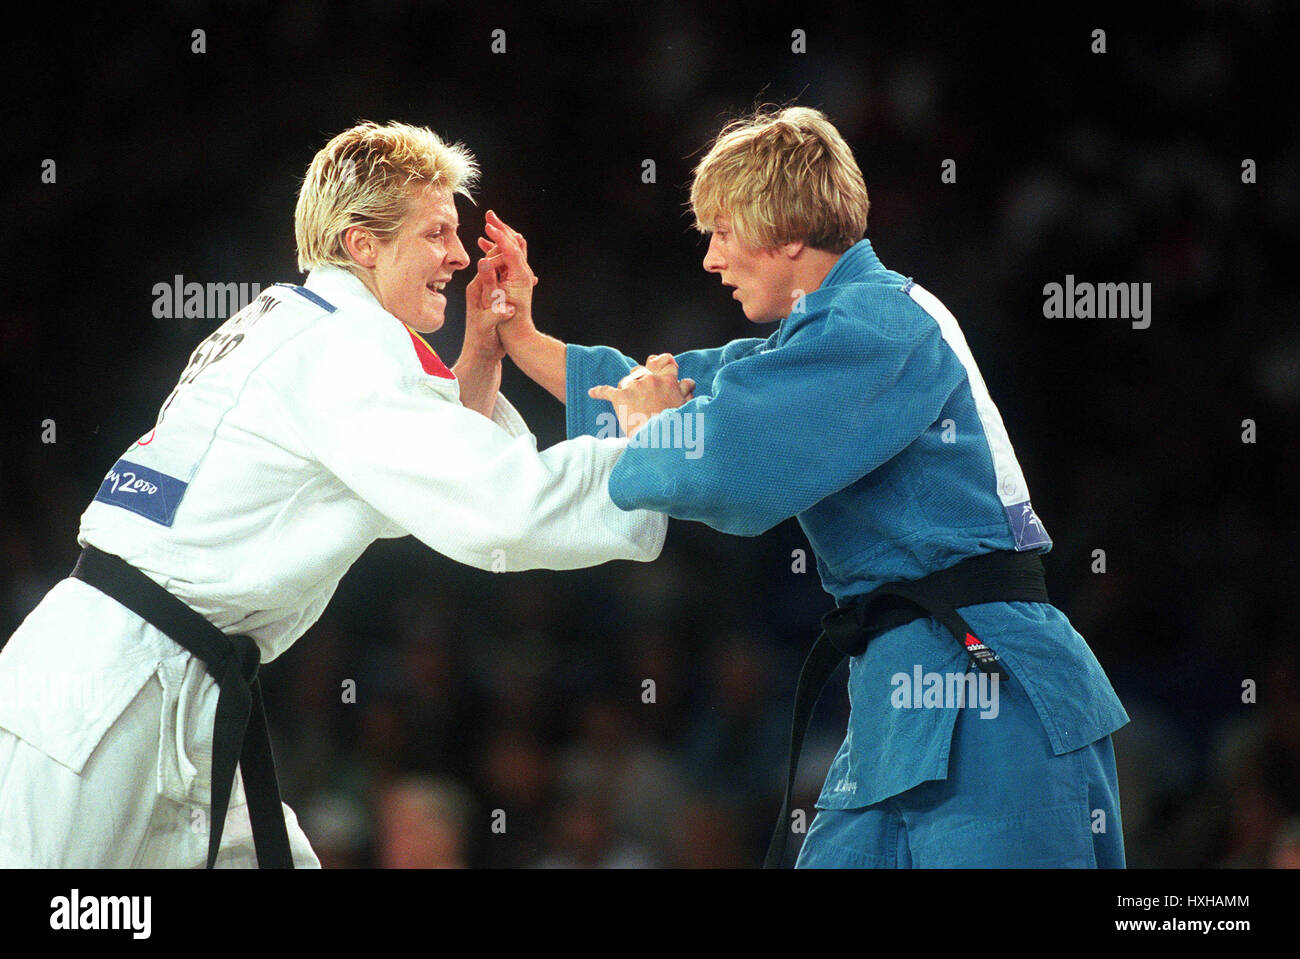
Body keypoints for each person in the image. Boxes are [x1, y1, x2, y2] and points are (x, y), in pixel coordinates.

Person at [0, 120, 666, 868]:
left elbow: (425, 483)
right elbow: (489, 505)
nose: (456, 253)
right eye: (436, 231)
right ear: (362, 244)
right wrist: (645, 455)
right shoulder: (339, 349)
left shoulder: (304, 324)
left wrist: (481, 348)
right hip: (106, 694)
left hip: (164, 685)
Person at [481, 106, 1130, 868]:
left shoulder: (879, 322)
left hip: (991, 689)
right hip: (904, 691)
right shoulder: (819, 337)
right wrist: (523, 337)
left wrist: (651, 427)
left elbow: (726, 463)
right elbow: (669, 389)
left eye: (722, 231)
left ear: (786, 232)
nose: (711, 259)